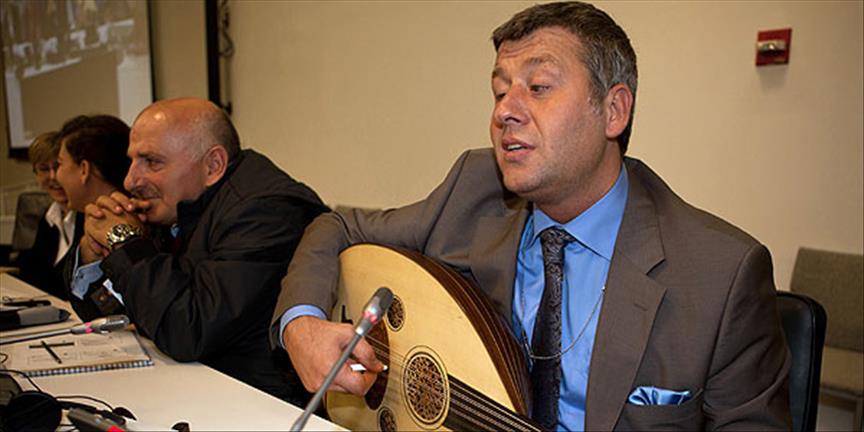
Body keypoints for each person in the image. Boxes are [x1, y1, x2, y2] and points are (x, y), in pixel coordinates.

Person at [272, 2, 790, 430]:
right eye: (500, 91)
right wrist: (302, 326)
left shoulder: (720, 275)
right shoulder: (473, 190)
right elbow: (335, 226)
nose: (504, 111)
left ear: (614, 111)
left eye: (538, 87)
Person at [74, 97, 328, 406]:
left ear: (213, 166)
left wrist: (124, 241)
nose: (130, 180)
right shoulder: (179, 203)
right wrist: (95, 254)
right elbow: (112, 316)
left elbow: (188, 329)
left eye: (151, 162)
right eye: (132, 161)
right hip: (200, 388)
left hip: (262, 406)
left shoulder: (266, 212)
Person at [52, 114, 131, 317]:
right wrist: (89, 261)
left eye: (59, 164)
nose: (55, 176)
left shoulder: (139, 223)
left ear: (84, 170)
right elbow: (92, 312)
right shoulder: (89, 218)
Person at [15, 132, 77, 299]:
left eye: (58, 167)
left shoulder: (89, 217)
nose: (53, 177)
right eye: (44, 169)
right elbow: (33, 276)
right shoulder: (49, 217)